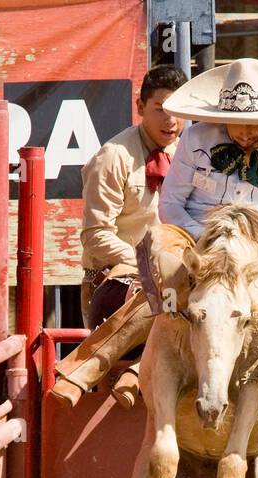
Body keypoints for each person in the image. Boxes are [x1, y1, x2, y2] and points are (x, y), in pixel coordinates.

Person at [51, 58, 258, 407]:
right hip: (199, 239)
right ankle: (99, 362)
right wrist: (210, 243)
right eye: (236, 124)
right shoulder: (195, 138)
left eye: (255, 125)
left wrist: (256, 251)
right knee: (158, 242)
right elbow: (171, 205)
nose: (245, 133)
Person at [79, 64, 186, 329]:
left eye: (176, 111)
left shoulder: (190, 153)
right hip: (117, 282)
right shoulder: (114, 156)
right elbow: (95, 235)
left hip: (174, 280)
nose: (170, 120)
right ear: (140, 107)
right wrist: (146, 267)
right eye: (160, 109)